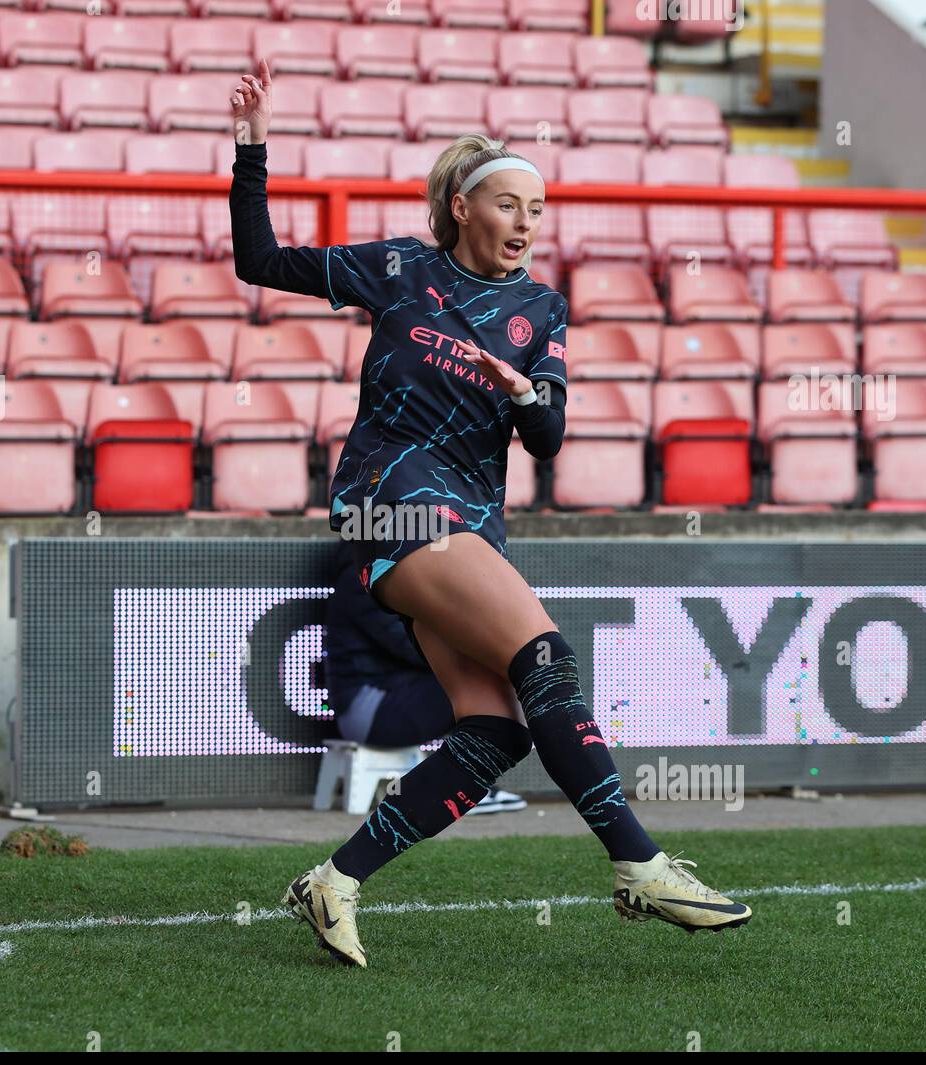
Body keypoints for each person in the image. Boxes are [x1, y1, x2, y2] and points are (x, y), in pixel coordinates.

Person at [229, 60, 751, 969]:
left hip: (469, 514)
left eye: (537, 212)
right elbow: (259, 261)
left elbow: (547, 438)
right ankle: (638, 860)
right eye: (510, 206)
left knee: (499, 728)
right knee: (543, 654)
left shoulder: (539, 308)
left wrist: (524, 397)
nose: (526, 225)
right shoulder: (397, 268)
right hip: (389, 500)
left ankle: (335, 880)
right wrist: (252, 150)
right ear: (465, 207)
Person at [324, 539, 527, 815]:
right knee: (480, 687)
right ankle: (465, 788)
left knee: (485, 678)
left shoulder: (386, 572)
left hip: (389, 697)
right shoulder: (362, 581)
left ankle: (467, 783)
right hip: (371, 711)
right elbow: (410, 648)